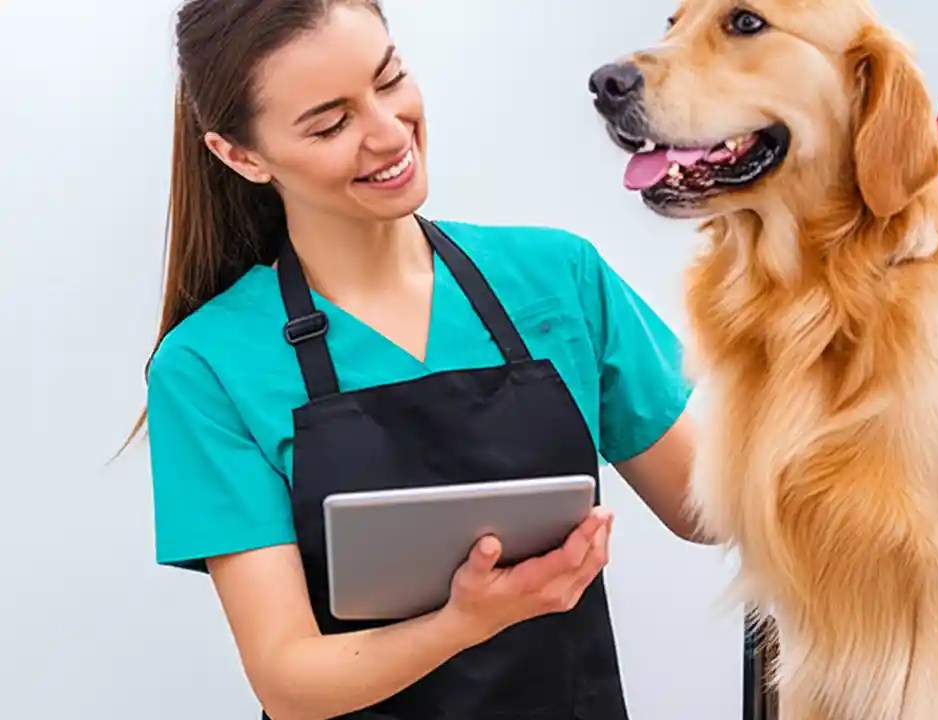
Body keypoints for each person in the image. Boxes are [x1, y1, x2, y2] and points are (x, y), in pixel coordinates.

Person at [129, 1, 705, 718]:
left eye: (390, 77)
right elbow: (288, 678)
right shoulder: (208, 365)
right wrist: (464, 622)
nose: (387, 131)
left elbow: (706, 507)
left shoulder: (559, 278)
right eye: (331, 123)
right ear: (240, 155)